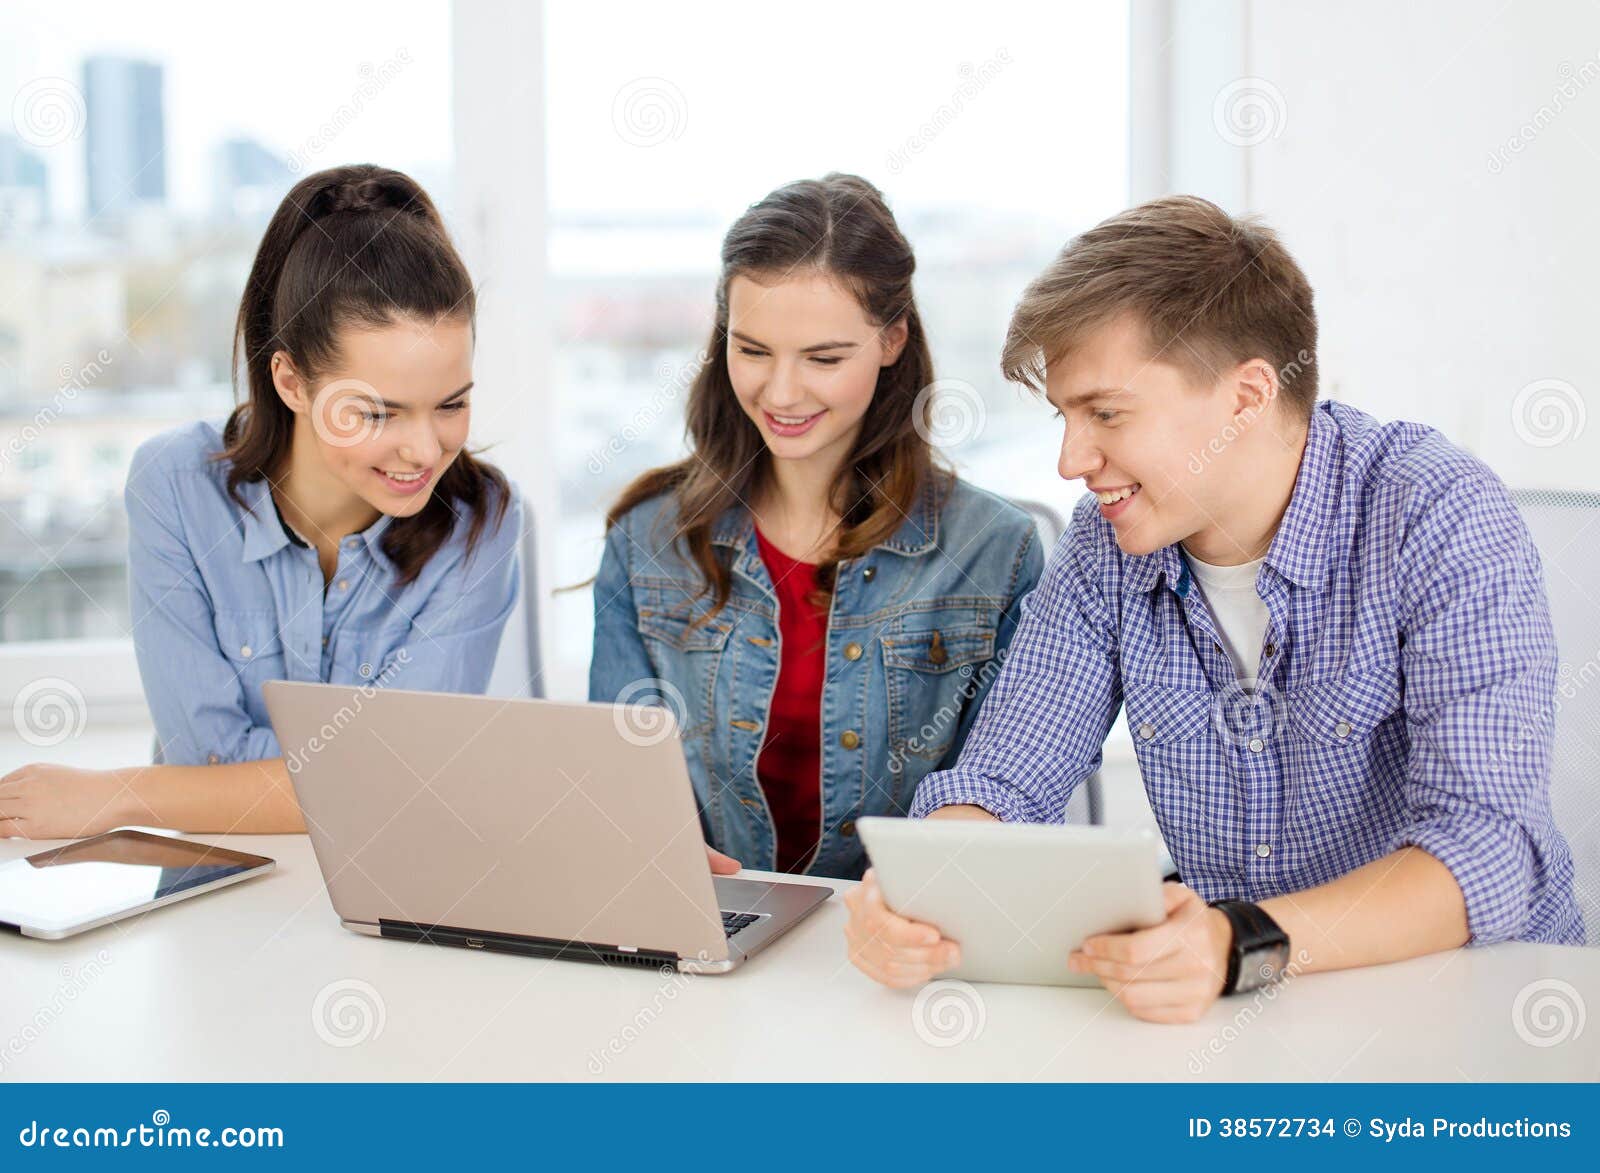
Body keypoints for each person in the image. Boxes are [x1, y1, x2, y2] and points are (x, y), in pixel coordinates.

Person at [844, 195, 1582, 1021]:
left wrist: (1243, 942)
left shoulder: (1435, 513)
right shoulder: (1107, 543)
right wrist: (925, 885)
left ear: (1247, 395)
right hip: (1235, 1011)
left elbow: (1487, 848)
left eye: (1106, 413)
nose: (1070, 459)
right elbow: (1006, 776)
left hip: (1472, 1005)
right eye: (1064, 415)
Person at [0, 164, 520, 839]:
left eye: (452, 404)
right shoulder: (174, 487)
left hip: (398, 919)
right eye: (378, 413)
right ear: (292, 381)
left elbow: (399, 786)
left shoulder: (481, 522)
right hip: (210, 908)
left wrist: (124, 794)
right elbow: (203, 754)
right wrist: (342, 780)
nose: (424, 449)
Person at [590, 173, 1041, 880]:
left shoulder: (996, 552)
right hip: (709, 931)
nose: (781, 392)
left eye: (824, 358)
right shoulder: (647, 540)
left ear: (892, 339)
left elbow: (1006, 794)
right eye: (753, 350)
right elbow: (617, 786)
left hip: (909, 937)